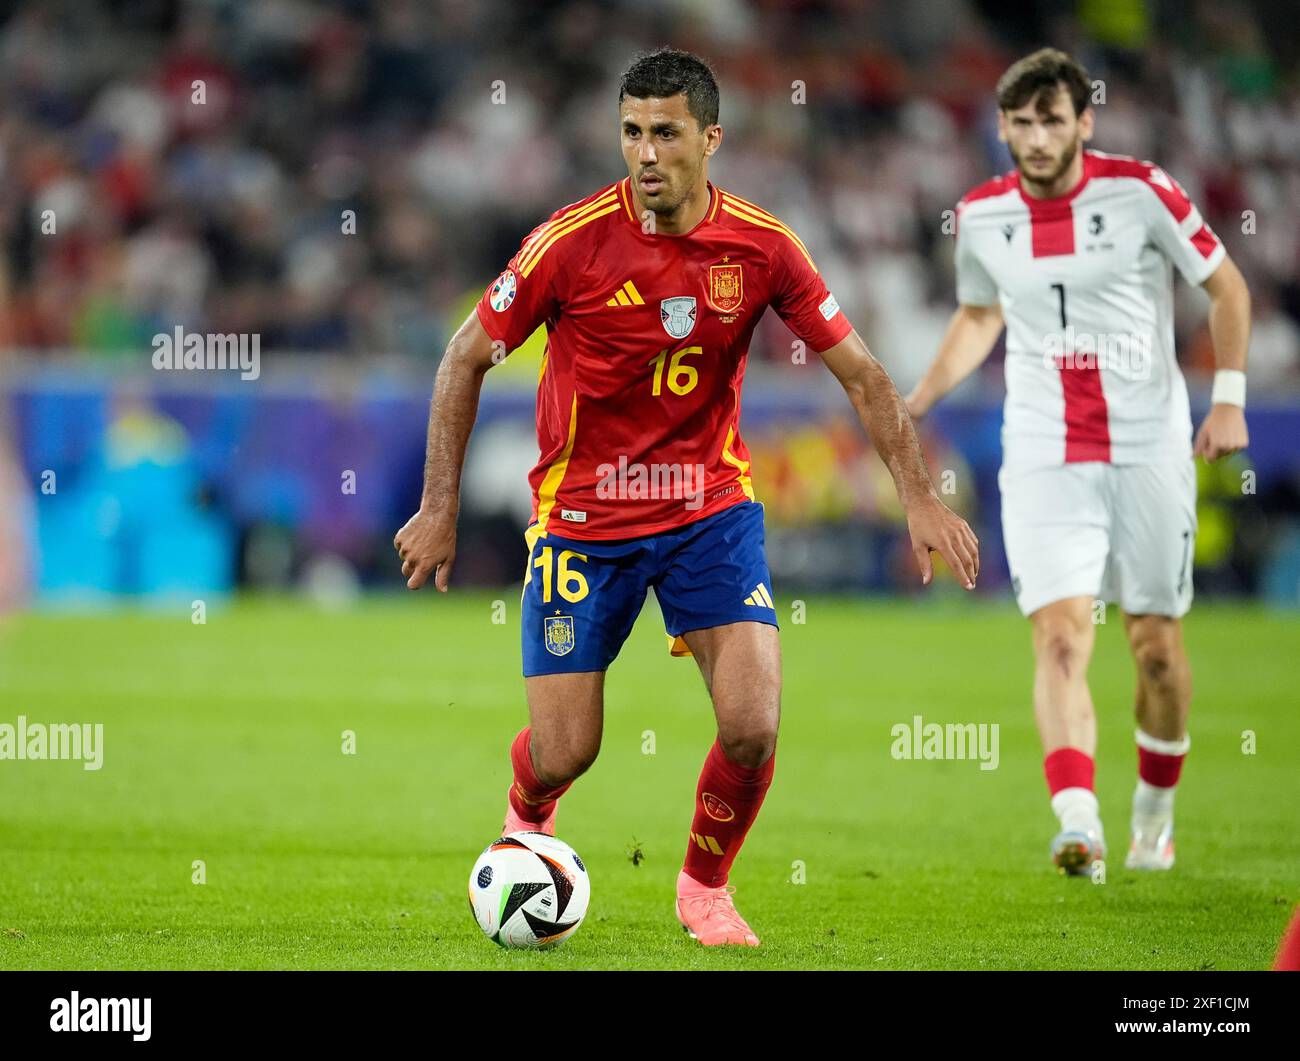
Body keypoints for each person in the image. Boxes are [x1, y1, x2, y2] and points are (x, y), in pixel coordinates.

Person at [395, 48, 978, 944]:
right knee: (566, 750)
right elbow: (463, 355)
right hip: (584, 522)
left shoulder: (764, 247)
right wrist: (439, 507)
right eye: (631, 132)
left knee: (752, 724)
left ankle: (704, 887)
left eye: (664, 133)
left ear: (710, 137)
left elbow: (861, 374)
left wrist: (921, 496)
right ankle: (529, 803)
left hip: (709, 508)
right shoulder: (569, 242)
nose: (644, 153)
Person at [906, 48, 1250, 875]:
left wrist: (1229, 397)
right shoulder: (983, 216)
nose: (1034, 136)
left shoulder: (1141, 192)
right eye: (1019, 122)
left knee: (1155, 647)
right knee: (1060, 638)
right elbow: (981, 316)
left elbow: (1227, 287)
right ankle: (1078, 821)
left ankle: (1154, 816)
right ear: (1001, 128)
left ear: (1083, 122)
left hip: (1147, 445)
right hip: (1043, 449)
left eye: (1051, 119)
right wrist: (916, 399)